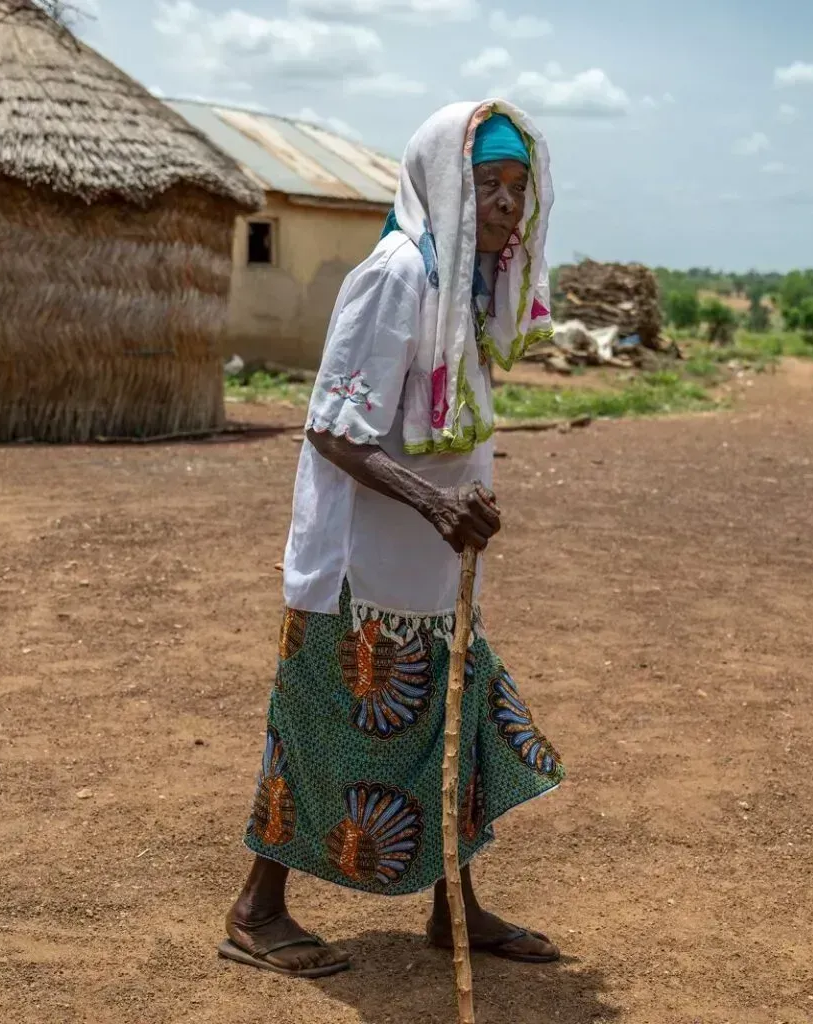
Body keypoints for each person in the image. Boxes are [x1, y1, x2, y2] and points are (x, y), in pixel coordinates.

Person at [220, 100, 564, 979]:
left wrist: (456, 508)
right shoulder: (397, 276)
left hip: (433, 567)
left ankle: (455, 907)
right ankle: (256, 911)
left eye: (518, 189)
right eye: (488, 185)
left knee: (457, 721)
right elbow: (333, 429)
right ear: (445, 185)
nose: (505, 206)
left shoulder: (480, 288)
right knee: (317, 728)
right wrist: (435, 503)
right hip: (359, 566)